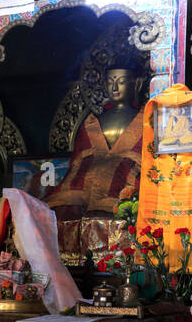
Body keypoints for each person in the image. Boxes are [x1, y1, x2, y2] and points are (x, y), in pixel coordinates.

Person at [48, 66, 145, 217]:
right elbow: (77, 161)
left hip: (124, 184)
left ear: (137, 84)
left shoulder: (145, 120)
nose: (114, 87)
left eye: (122, 81)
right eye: (110, 81)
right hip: (84, 190)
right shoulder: (91, 123)